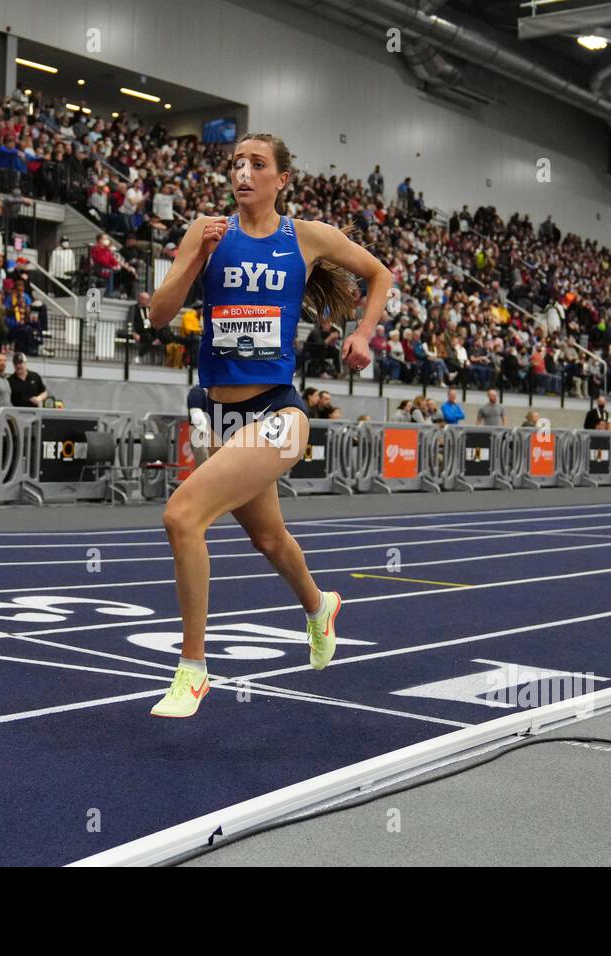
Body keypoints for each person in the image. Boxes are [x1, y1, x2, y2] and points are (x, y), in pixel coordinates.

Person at [144, 132, 391, 718]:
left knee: (182, 514)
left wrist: (361, 334)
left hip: (281, 412)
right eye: (236, 163)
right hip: (220, 414)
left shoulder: (305, 237)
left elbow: (379, 274)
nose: (243, 173)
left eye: (257, 164)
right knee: (267, 538)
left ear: (282, 179)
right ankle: (320, 605)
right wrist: (195, 260)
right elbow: (157, 315)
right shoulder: (208, 232)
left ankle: (194, 668)